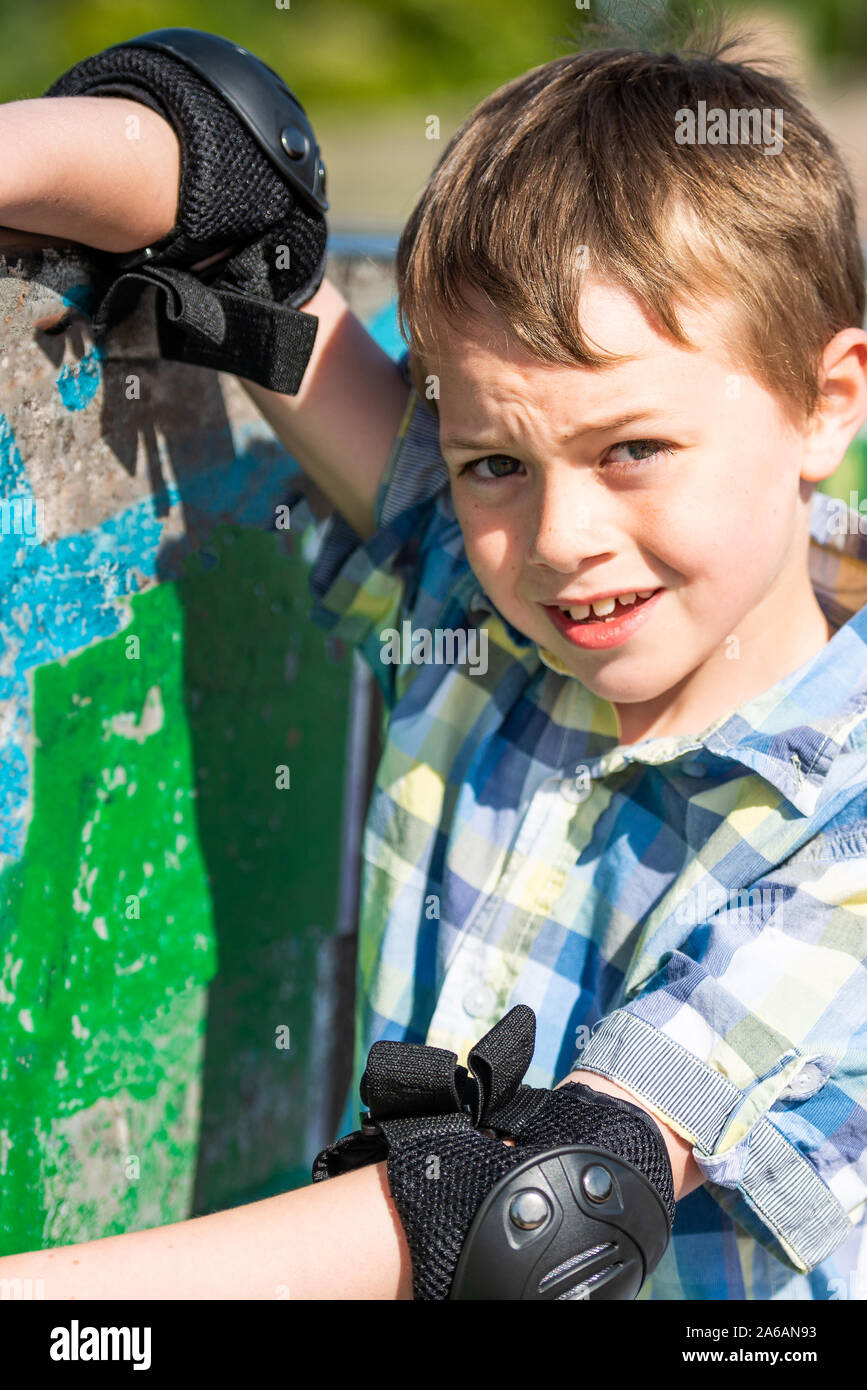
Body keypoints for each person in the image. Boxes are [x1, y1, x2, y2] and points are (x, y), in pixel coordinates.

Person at [1, 13, 866, 1300]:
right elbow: (233, 188)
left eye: (633, 449)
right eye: (492, 462)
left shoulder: (843, 830)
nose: (563, 539)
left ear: (829, 403)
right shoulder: (490, 602)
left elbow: (544, 1214)